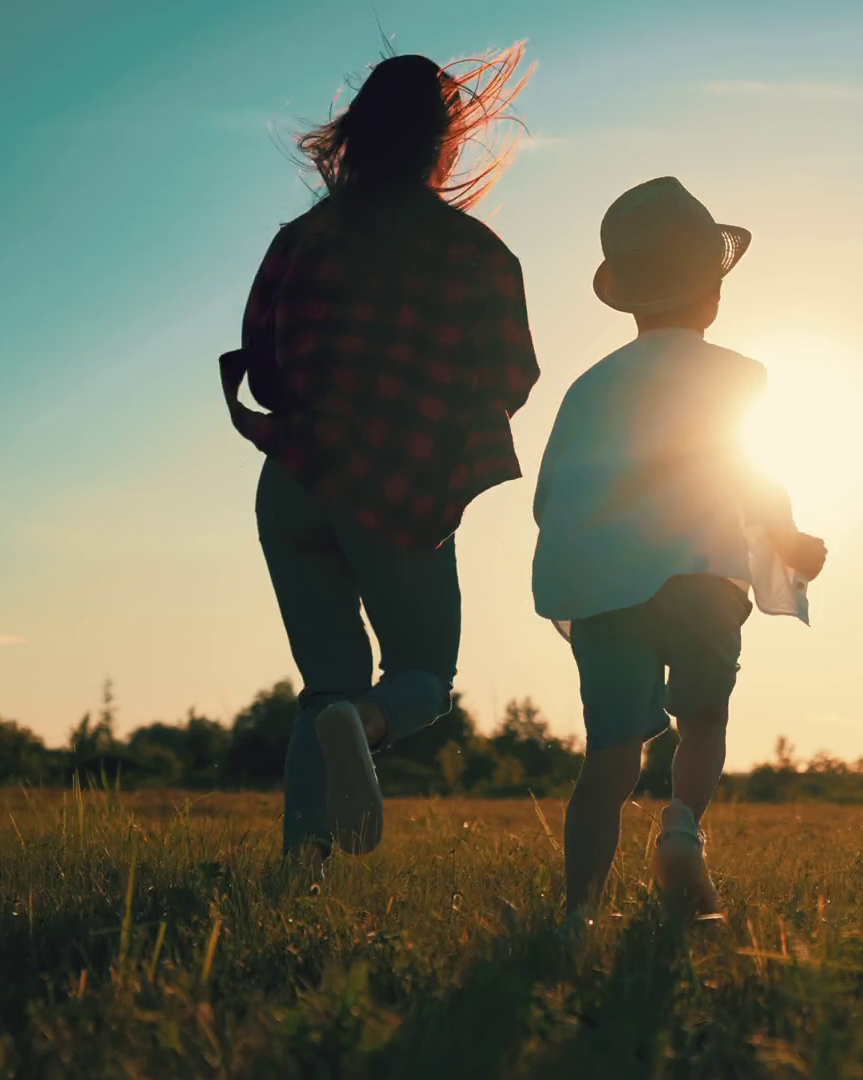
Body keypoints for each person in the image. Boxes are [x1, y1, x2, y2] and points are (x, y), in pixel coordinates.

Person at [218, 49, 538, 864]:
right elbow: (514, 377)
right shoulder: (477, 255)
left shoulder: (301, 240)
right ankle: (361, 727)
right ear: (444, 141)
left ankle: (304, 868)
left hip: (292, 483)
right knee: (423, 676)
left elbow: (261, 359)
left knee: (324, 683)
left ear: (355, 134)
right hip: (400, 492)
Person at [533, 177, 828, 924]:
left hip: (604, 588)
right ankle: (681, 827)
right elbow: (752, 473)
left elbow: (547, 499)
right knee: (702, 722)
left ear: (629, 297)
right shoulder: (739, 375)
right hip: (701, 579)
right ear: (713, 294)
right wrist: (789, 541)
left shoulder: (588, 387)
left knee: (609, 755)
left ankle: (579, 915)